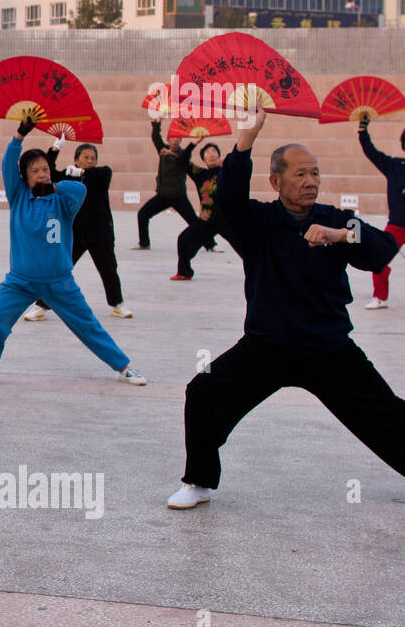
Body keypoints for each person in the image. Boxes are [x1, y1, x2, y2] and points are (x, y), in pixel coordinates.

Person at [169, 110, 404, 508]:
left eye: (315, 173)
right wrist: (245, 140)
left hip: (329, 348)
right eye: (300, 174)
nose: (310, 181)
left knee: (387, 417)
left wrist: (342, 236)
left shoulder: (335, 218)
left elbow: (381, 248)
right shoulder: (257, 221)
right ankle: (199, 482)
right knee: (204, 392)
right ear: (276, 181)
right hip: (266, 346)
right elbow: (226, 200)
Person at [0, 118, 146, 387]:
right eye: (34, 170)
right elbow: (8, 163)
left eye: (45, 169)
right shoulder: (19, 197)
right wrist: (19, 136)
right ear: (24, 176)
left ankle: (124, 367)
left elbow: (80, 189)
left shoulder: (62, 200)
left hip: (59, 281)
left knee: (88, 327)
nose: (41, 173)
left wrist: (53, 186)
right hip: (20, 281)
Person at [23, 140, 133, 321]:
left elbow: (103, 174)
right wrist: (55, 148)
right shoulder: (67, 178)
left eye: (93, 158)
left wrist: (81, 172)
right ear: (76, 159)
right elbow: (48, 169)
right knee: (59, 269)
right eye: (85, 157)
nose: (89, 160)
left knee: (108, 269)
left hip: (100, 232)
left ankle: (118, 304)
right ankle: (40, 306)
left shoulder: (101, 174)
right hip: (74, 233)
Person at [132, 119, 216, 251]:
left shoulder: (183, 154)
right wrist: (157, 123)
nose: (176, 140)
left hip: (179, 196)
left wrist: (172, 152)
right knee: (143, 214)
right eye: (173, 138)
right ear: (168, 139)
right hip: (162, 195)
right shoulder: (162, 150)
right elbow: (155, 137)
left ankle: (211, 245)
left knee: (194, 222)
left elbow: (182, 157)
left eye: (178, 138)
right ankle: (144, 243)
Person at [358, 116, 405, 309]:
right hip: (397, 224)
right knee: (377, 257)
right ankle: (380, 297)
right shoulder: (393, 165)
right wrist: (362, 130)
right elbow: (371, 152)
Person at [171, 139, 225, 280]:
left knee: (245, 249)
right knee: (183, 239)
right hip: (207, 220)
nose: (211, 154)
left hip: (228, 220)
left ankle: (261, 275)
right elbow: (181, 161)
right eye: (207, 152)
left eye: (214, 151)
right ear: (203, 158)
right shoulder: (200, 174)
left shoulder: (227, 172)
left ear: (219, 155)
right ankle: (184, 272)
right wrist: (194, 143)